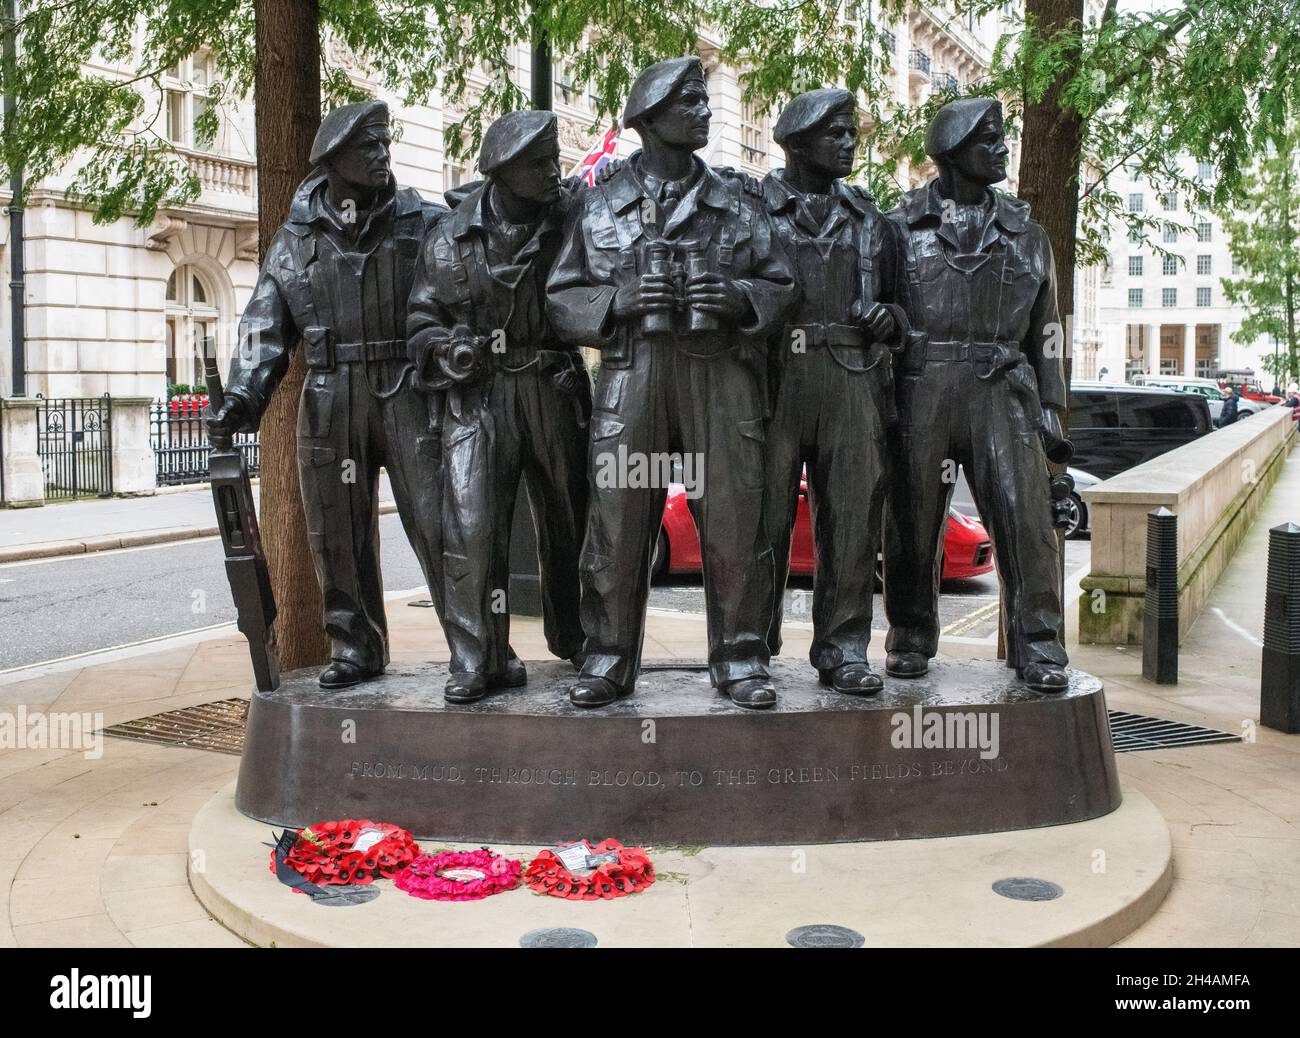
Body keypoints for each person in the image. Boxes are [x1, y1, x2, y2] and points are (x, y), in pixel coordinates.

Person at [547, 56, 796, 709]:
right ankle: (606, 656)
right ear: (652, 118)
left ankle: (741, 658)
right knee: (618, 522)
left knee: (735, 516)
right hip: (636, 374)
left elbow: (780, 285)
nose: (706, 111)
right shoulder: (602, 206)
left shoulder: (737, 203)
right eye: (691, 101)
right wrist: (617, 302)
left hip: (722, 374)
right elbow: (562, 298)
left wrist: (741, 298)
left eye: (704, 99)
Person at [207, 101, 455, 690]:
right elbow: (265, 326)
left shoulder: (422, 219)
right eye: (370, 146)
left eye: (385, 142)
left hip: (407, 388)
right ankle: (356, 645)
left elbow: (460, 293)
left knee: (442, 521)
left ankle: (474, 645)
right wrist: (244, 394)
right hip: (329, 394)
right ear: (335, 160)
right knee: (335, 532)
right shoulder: (296, 240)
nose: (383, 154)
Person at [882, 97, 1070, 694]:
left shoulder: (1029, 235)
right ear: (954, 151)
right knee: (911, 520)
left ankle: (1038, 642)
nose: (1003, 150)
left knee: (1025, 519)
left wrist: (1051, 406)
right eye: (989, 140)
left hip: (1002, 390)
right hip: (922, 387)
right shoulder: (897, 229)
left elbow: (1048, 330)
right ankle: (910, 636)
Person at [406, 111, 590, 703]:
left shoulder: (575, 219)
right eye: (540, 163)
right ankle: (479, 656)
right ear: (504, 171)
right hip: (478, 397)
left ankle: (581, 637)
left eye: (554, 160)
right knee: (473, 527)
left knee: (572, 518)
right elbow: (421, 318)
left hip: (552, 386)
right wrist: (443, 350)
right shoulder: (448, 235)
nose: (552, 172)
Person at [760, 88, 908, 695]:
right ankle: (749, 648)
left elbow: (907, 312)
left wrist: (889, 320)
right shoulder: (754, 210)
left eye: (851, 133)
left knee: (851, 518)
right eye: (835, 133)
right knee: (760, 518)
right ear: (797, 142)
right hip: (774, 379)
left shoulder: (871, 219)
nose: (849, 144)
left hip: (852, 379)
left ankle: (844, 648)